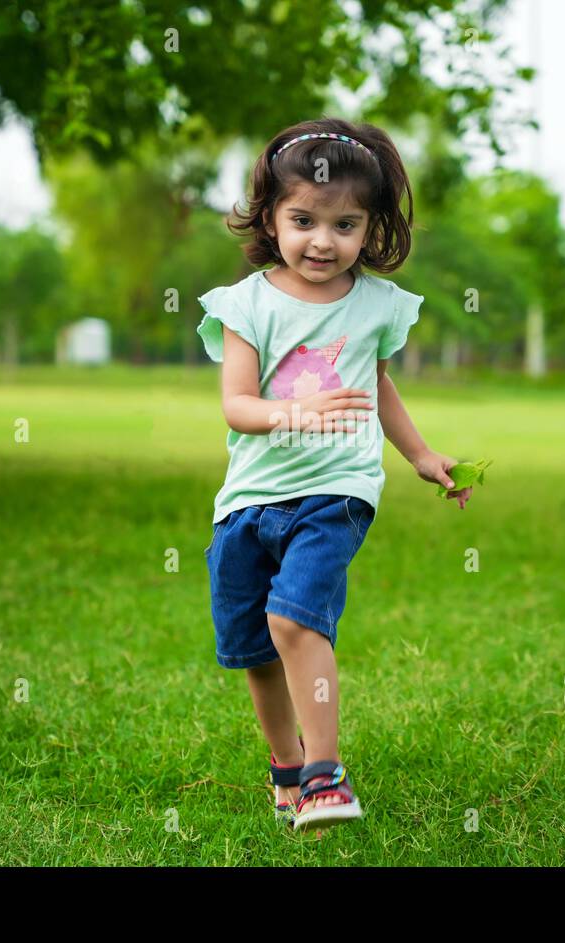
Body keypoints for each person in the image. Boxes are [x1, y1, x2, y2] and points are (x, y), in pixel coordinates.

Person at [196, 118, 471, 834]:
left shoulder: (375, 305)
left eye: (345, 224)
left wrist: (420, 455)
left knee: (295, 617)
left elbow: (377, 387)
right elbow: (237, 404)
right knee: (256, 644)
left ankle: (324, 775)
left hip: (336, 491)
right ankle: (286, 769)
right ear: (270, 218)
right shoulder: (246, 304)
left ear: (372, 227)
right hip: (250, 499)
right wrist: (294, 412)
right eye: (304, 220)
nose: (324, 240)